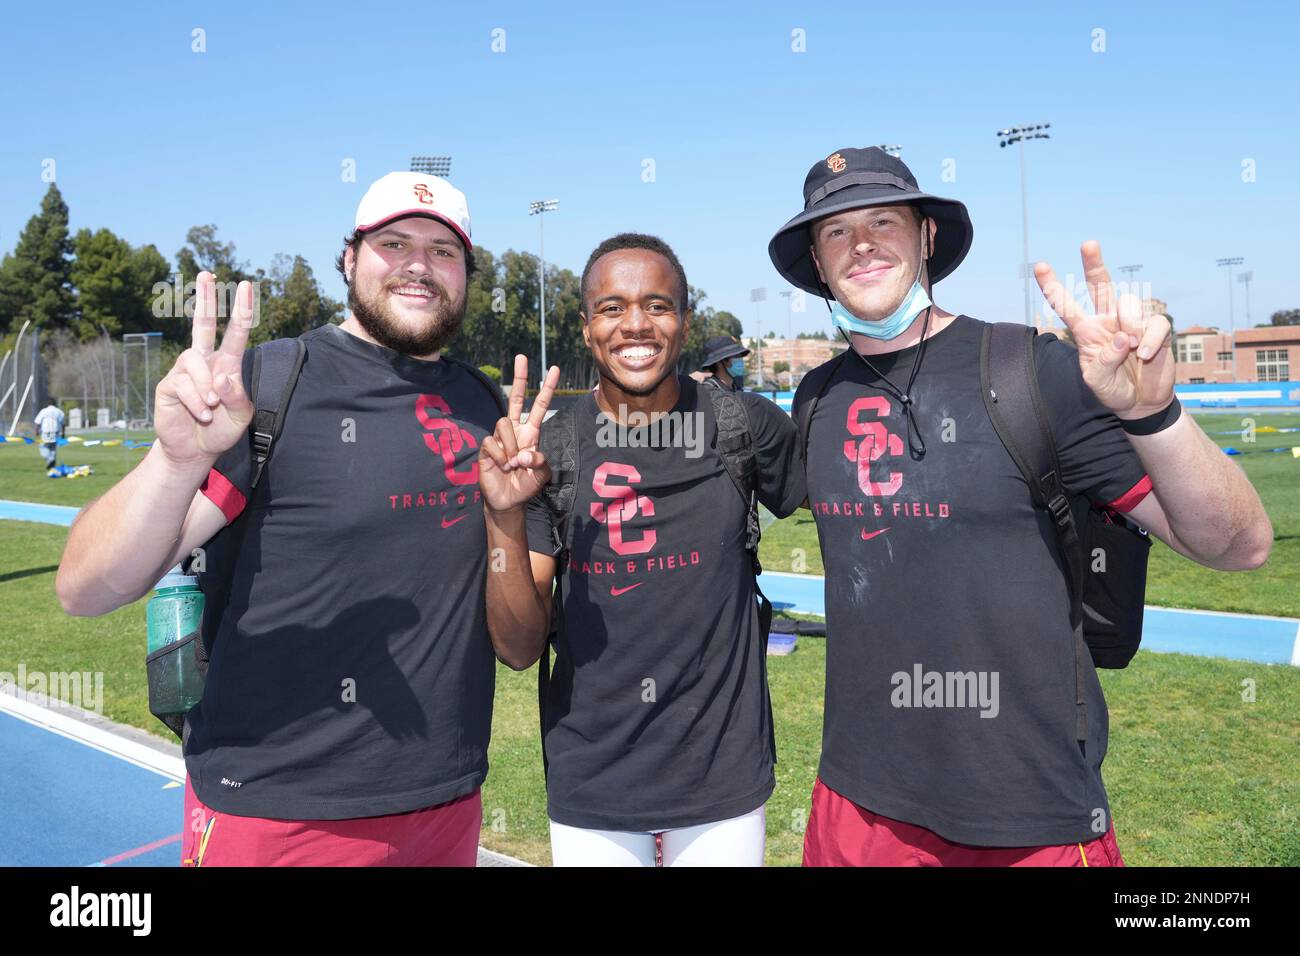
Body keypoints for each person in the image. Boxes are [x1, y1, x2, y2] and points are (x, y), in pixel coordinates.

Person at [768, 146, 1273, 866]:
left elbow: (1240, 546)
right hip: (858, 803)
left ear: (927, 238)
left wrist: (1155, 413)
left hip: (1027, 812)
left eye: (884, 220)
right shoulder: (818, 396)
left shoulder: (1031, 368)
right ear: (818, 264)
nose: (863, 244)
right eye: (837, 232)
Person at [56, 172, 506, 866]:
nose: (420, 264)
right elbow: (86, 589)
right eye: (395, 243)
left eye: (444, 251)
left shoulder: (484, 405)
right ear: (351, 258)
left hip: (446, 806)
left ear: (467, 274)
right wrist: (175, 464)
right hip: (275, 811)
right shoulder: (266, 386)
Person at [476, 233, 805, 866]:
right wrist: (505, 516)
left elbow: (859, 511)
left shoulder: (745, 425)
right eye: (611, 307)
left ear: (685, 320)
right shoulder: (553, 448)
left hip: (724, 779)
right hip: (593, 783)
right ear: (585, 327)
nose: (635, 324)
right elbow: (518, 650)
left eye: (658, 305)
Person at [34, 401, 65, 471]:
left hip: (46, 432)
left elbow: (37, 422)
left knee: (42, 446)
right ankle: (52, 463)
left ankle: (50, 459)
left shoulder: (44, 411)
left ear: (48, 404)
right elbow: (63, 424)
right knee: (53, 448)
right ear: (55, 404)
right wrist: (63, 434)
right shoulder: (59, 412)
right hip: (55, 432)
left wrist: (36, 431)